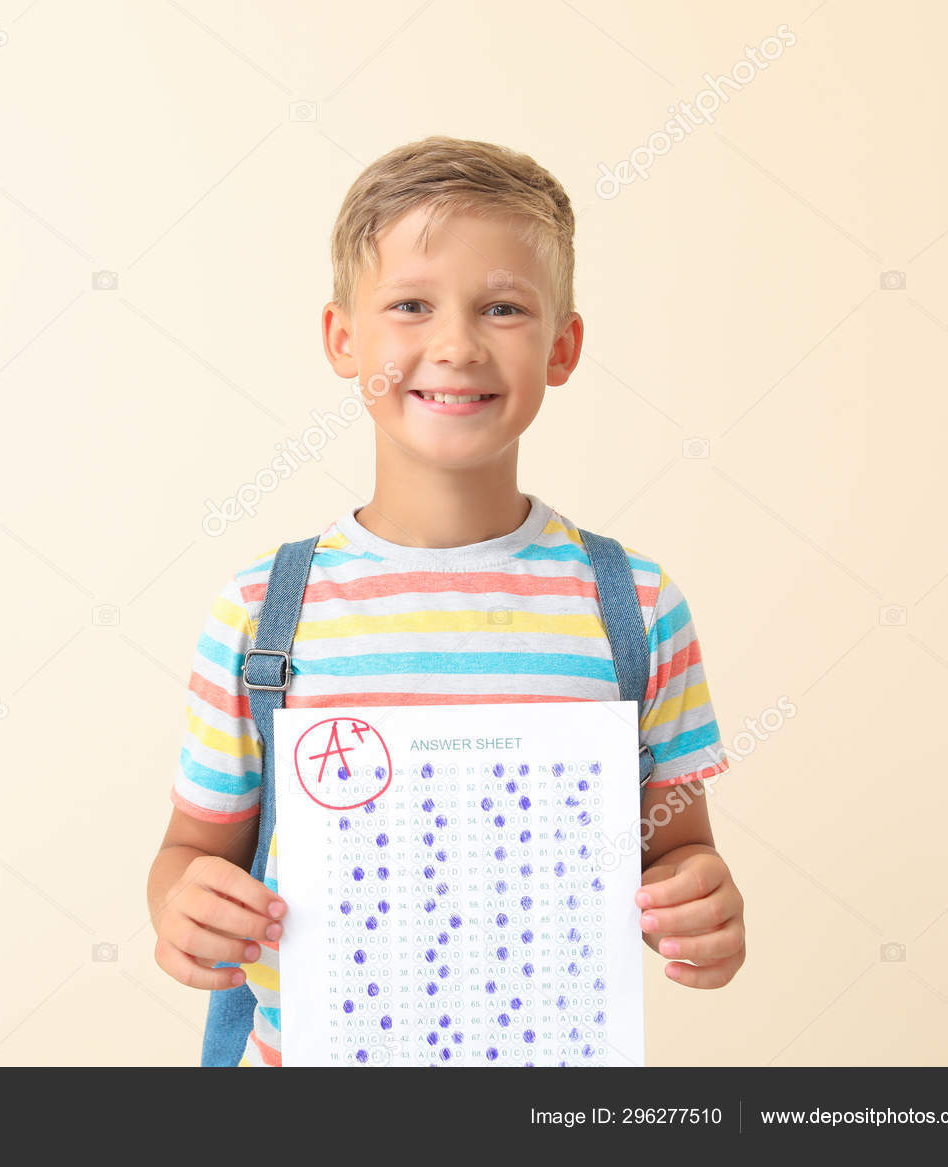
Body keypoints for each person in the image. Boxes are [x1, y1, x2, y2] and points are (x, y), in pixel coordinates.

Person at [145, 136, 746, 1067]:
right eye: (411, 305)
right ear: (344, 338)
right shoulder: (266, 611)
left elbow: (673, 847)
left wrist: (696, 896)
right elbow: (192, 850)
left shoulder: (635, 605)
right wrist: (183, 905)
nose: (457, 344)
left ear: (563, 346)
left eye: (503, 307)